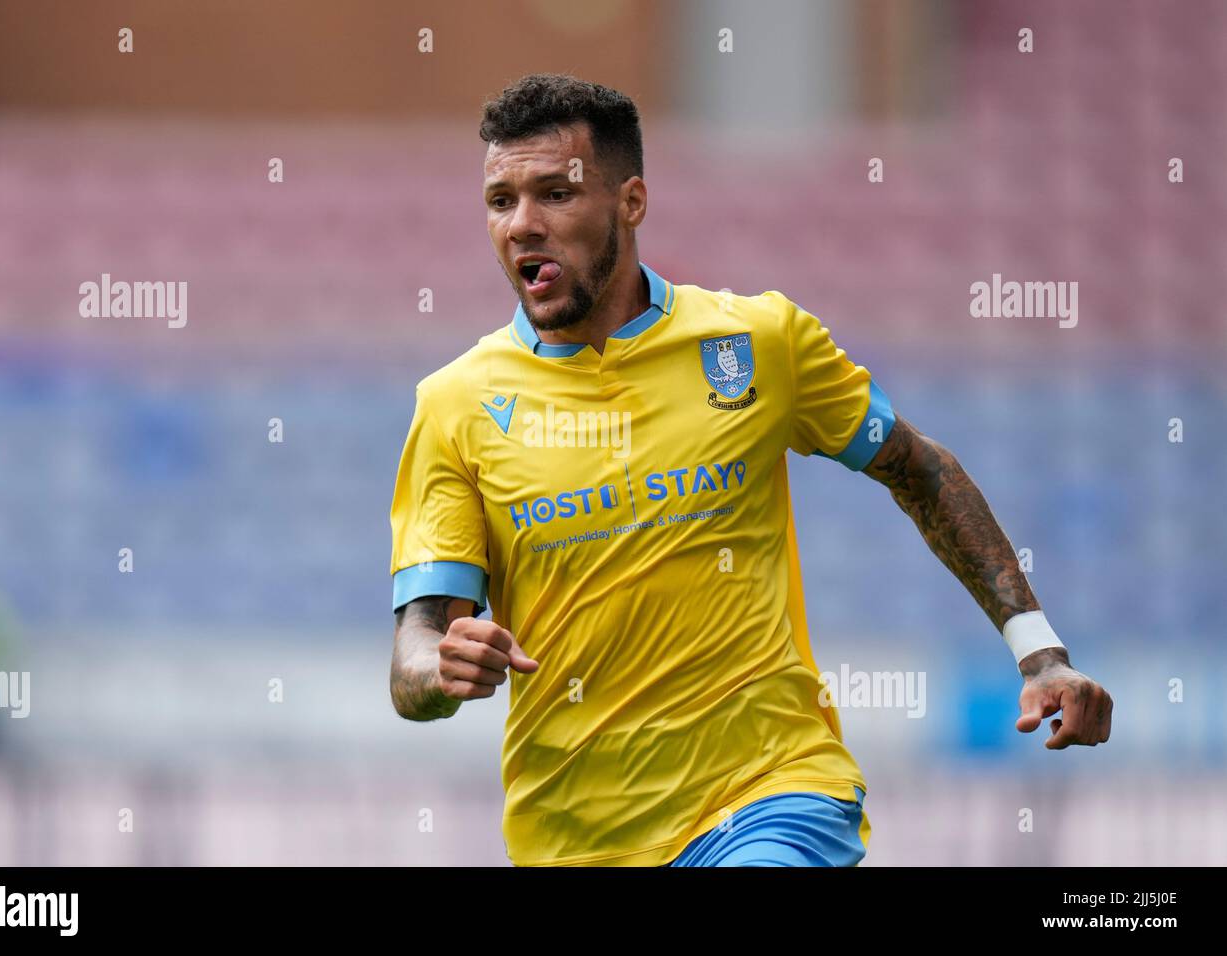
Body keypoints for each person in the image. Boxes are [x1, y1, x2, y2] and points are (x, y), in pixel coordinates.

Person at [388, 74, 1113, 867]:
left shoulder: (757, 342)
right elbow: (415, 650)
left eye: (556, 194)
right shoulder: (456, 405)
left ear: (630, 202)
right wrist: (438, 665)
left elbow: (920, 470)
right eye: (500, 202)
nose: (523, 225)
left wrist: (1040, 652)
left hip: (772, 794)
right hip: (573, 837)